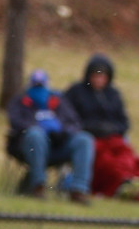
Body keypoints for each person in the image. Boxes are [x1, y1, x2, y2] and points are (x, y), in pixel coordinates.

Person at [65, 54, 139, 203]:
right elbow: (70, 120)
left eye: (102, 76)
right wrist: (95, 128)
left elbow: (124, 123)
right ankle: (119, 184)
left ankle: (128, 182)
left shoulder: (113, 95)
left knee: (132, 159)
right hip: (89, 140)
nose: (99, 80)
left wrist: (110, 129)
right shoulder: (76, 92)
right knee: (108, 163)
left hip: (114, 139)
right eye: (96, 76)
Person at [6, 69, 95, 202]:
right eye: (36, 85)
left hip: (57, 147)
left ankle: (78, 189)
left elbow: (74, 123)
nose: (39, 88)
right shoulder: (19, 102)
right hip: (28, 148)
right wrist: (39, 127)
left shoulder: (58, 101)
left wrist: (61, 132)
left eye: (41, 85)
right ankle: (38, 185)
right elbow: (16, 124)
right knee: (36, 135)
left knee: (84, 139)